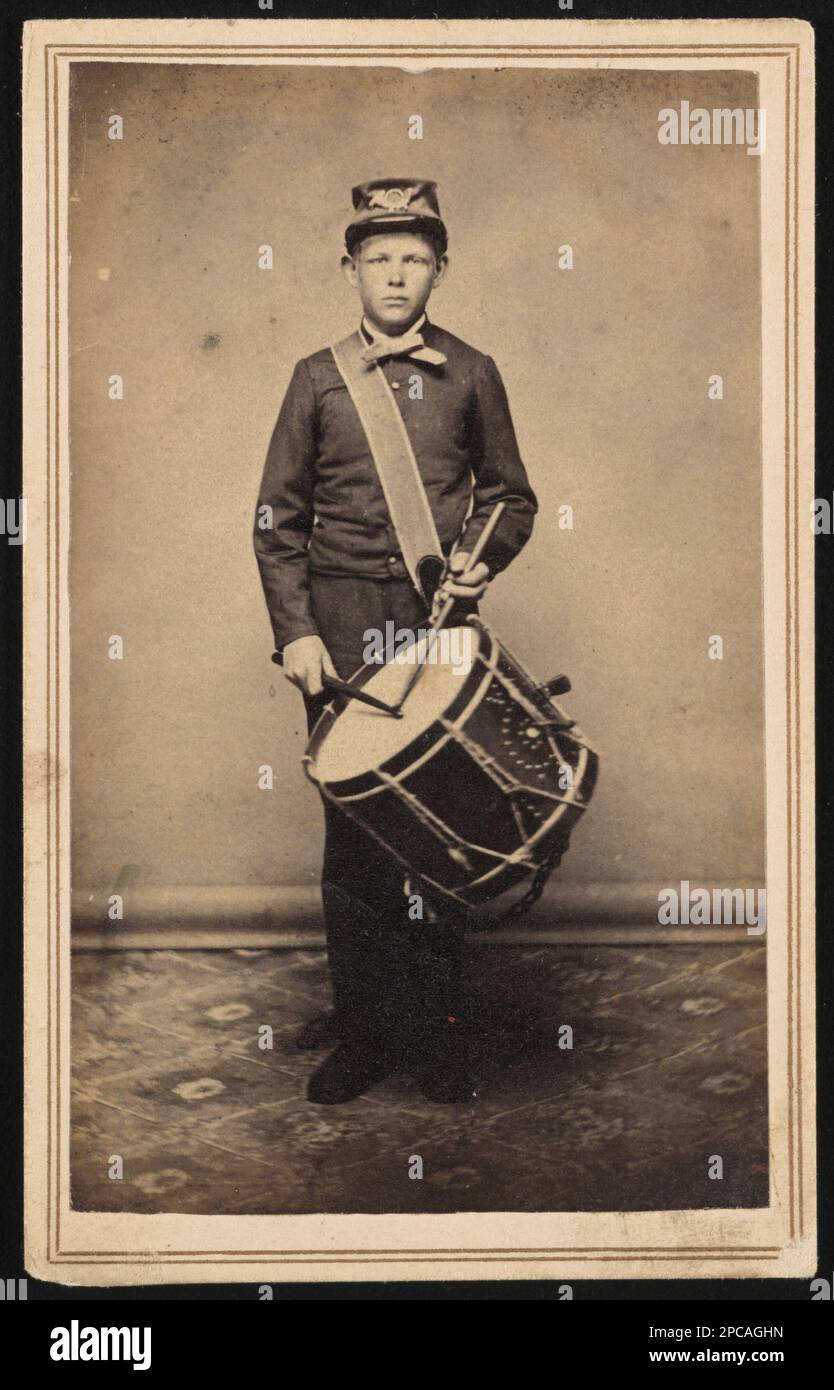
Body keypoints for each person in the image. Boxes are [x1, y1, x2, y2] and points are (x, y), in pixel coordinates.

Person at [254, 177, 537, 1104]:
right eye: (379, 258)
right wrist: (295, 634)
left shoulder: (474, 370)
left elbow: (511, 497)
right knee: (356, 836)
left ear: (440, 268)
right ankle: (368, 1031)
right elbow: (275, 521)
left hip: (434, 627)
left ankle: (437, 1029)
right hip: (336, 633)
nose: (396, 274)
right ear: (350, 269)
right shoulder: (315, 378)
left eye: (415, 257)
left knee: (437, 829)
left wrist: (480, 564)